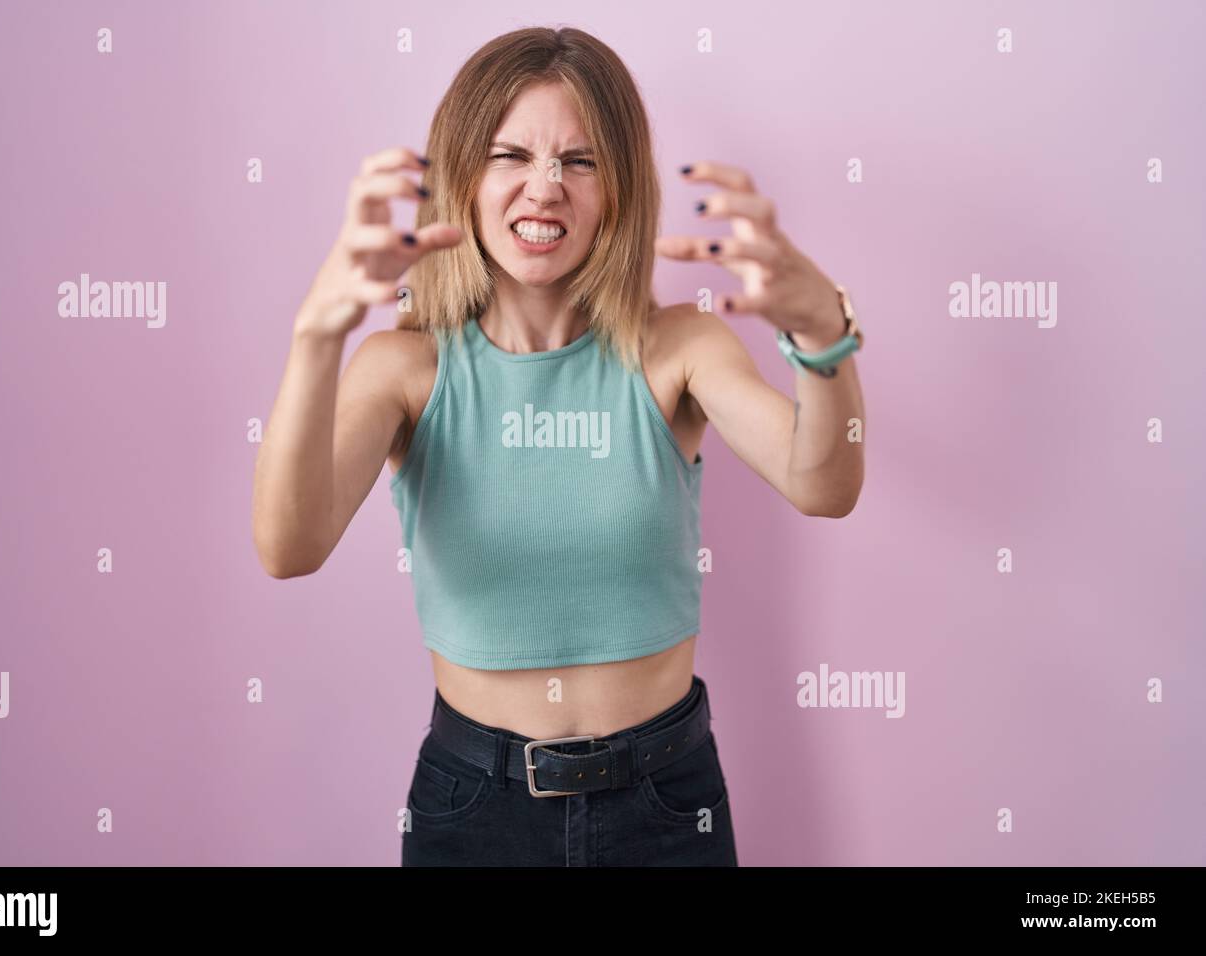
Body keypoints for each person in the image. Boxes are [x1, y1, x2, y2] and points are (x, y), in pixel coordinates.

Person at [251, 26, 865, 867]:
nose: (545, 188)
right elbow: (288, 547)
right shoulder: (406, 367)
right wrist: (315, 336)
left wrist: (822, 333)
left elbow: (822, 483)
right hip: (474, 809)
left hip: (665, 799)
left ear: (617, 189)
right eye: (511, 155)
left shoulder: (678, 347)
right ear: (462, 176)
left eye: (579, 161)